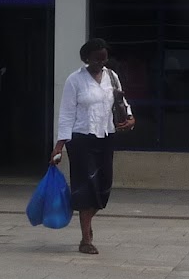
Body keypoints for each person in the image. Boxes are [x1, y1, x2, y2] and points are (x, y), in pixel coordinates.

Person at [52, 37, 134, 255]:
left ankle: (86, 221)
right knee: (87, 187)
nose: (101, 63)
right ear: (86, 58)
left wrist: (130, 119)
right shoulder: (74, 80)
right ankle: (86, 238)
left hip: (105, 137)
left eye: (104, 59)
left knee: (103, 186)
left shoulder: (112, 77)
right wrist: (59, 146)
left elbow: (121, 102)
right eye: (97, 59)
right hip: (81, 141)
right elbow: (66, 114)